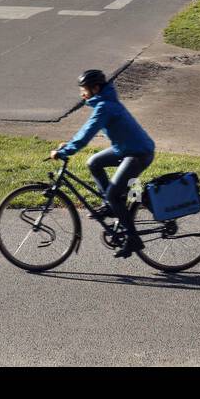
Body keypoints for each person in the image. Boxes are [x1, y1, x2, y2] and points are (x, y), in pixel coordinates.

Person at [52, 69, 156, 258]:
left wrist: (65, 151)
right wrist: (69, 145)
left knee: (114, 194)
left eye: (84, 90)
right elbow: (85, 131)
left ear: (95, 88)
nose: (82, 94)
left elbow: (87, 133)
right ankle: (111, 205)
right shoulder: (104, 103)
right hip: (125, 149)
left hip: (138, 153)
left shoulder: (105, 107)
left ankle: (133, 238)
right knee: (94, 162)